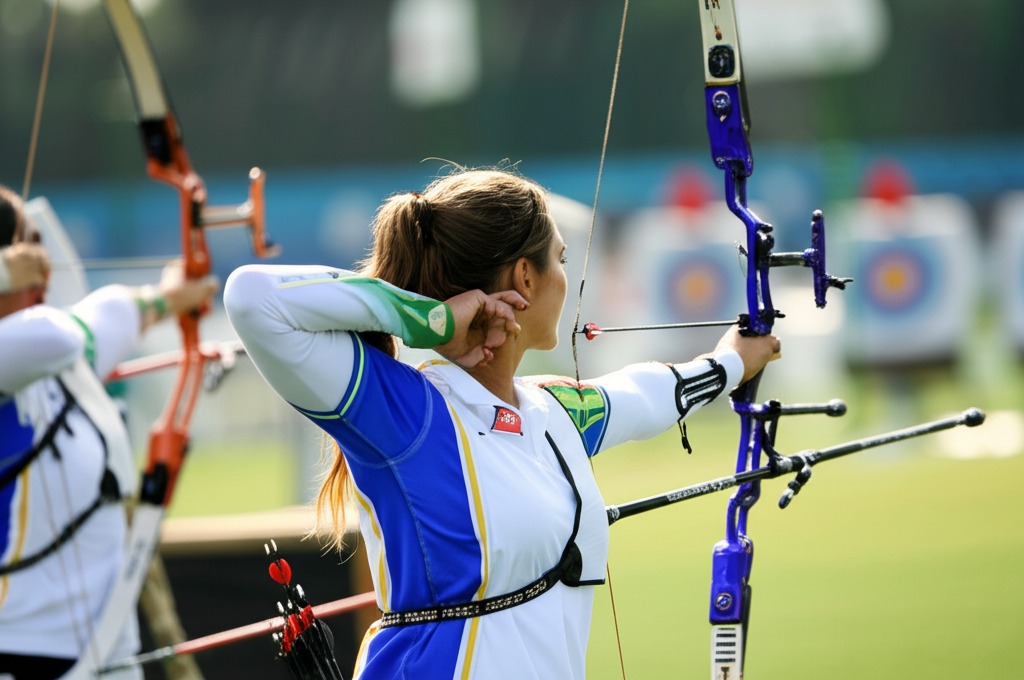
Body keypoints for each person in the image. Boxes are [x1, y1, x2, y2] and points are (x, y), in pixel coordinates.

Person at [224, 168, 779, 680]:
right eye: (560, 260)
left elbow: (640, 395)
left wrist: (732, 362)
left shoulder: (551, 413)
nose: (568, 277)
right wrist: (430, 318)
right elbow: (252, 299)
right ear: (525, 278)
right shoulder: (408, 414)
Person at [0, 185, 217, 680]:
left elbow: (113, 313)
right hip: (20, 654)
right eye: (26, 248)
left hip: (110, 654)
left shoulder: (65, 359)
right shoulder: (42, 345)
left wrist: (167, 296)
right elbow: (56, 336)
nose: (42, 264)